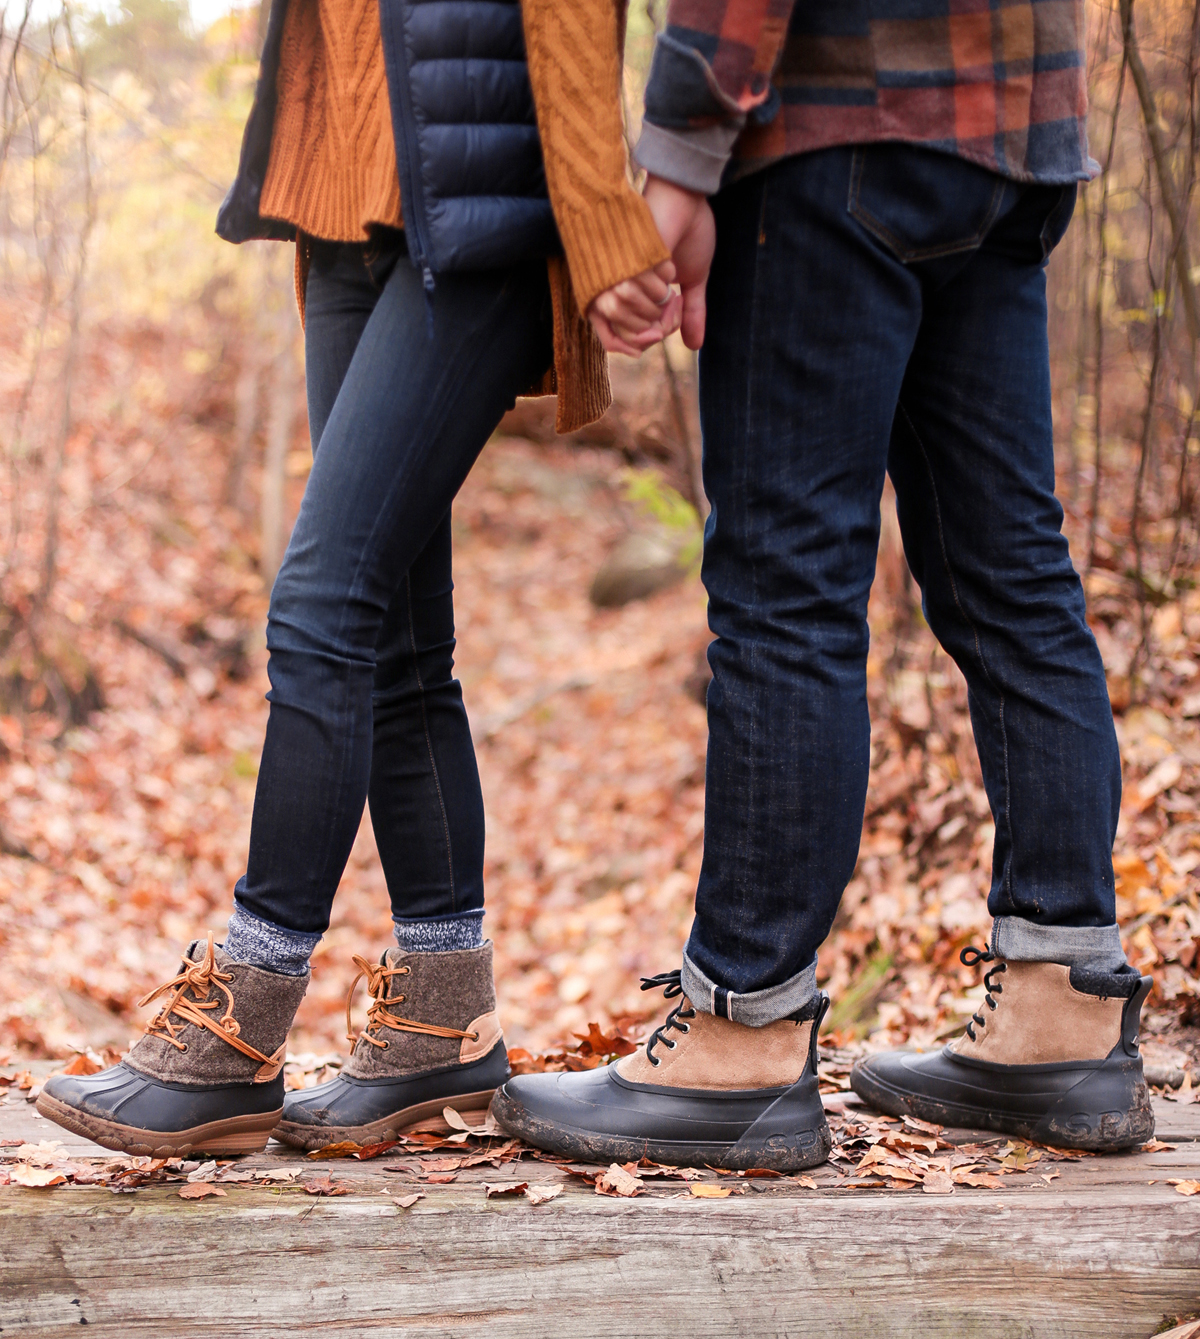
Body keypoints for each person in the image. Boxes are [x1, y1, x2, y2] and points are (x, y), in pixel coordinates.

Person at [493, 0, 1156, 1167]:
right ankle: (1062, 1018)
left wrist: (684, 146)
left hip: (838, 120)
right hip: (1017, 136)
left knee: (786, 595)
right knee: (1013, 579)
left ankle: (742, 1032)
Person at [37, 0, 680, 1157]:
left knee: (323, 608)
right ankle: (442, 1012)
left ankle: (236, 1029)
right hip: (338, 189)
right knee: (390, 634)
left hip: (484, 192)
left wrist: (601, 216)